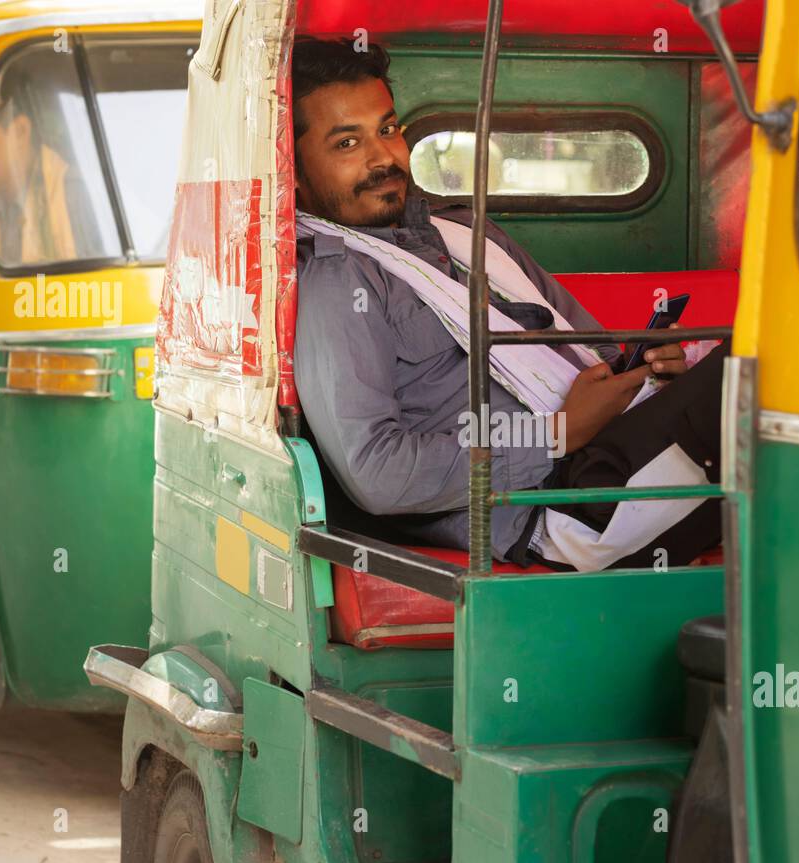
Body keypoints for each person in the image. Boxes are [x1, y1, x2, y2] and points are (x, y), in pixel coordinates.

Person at [292, 37, 726, 573]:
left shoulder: (466, 233)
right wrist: (555, 436)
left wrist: (650, 372)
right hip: (562, 506)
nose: (383, 158)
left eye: (387, 129)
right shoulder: (338, 281)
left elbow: (601, 357)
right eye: (346, 145)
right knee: (763, 376)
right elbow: (376, 473)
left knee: (746, 369)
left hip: (612, 450)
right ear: (294, 170)